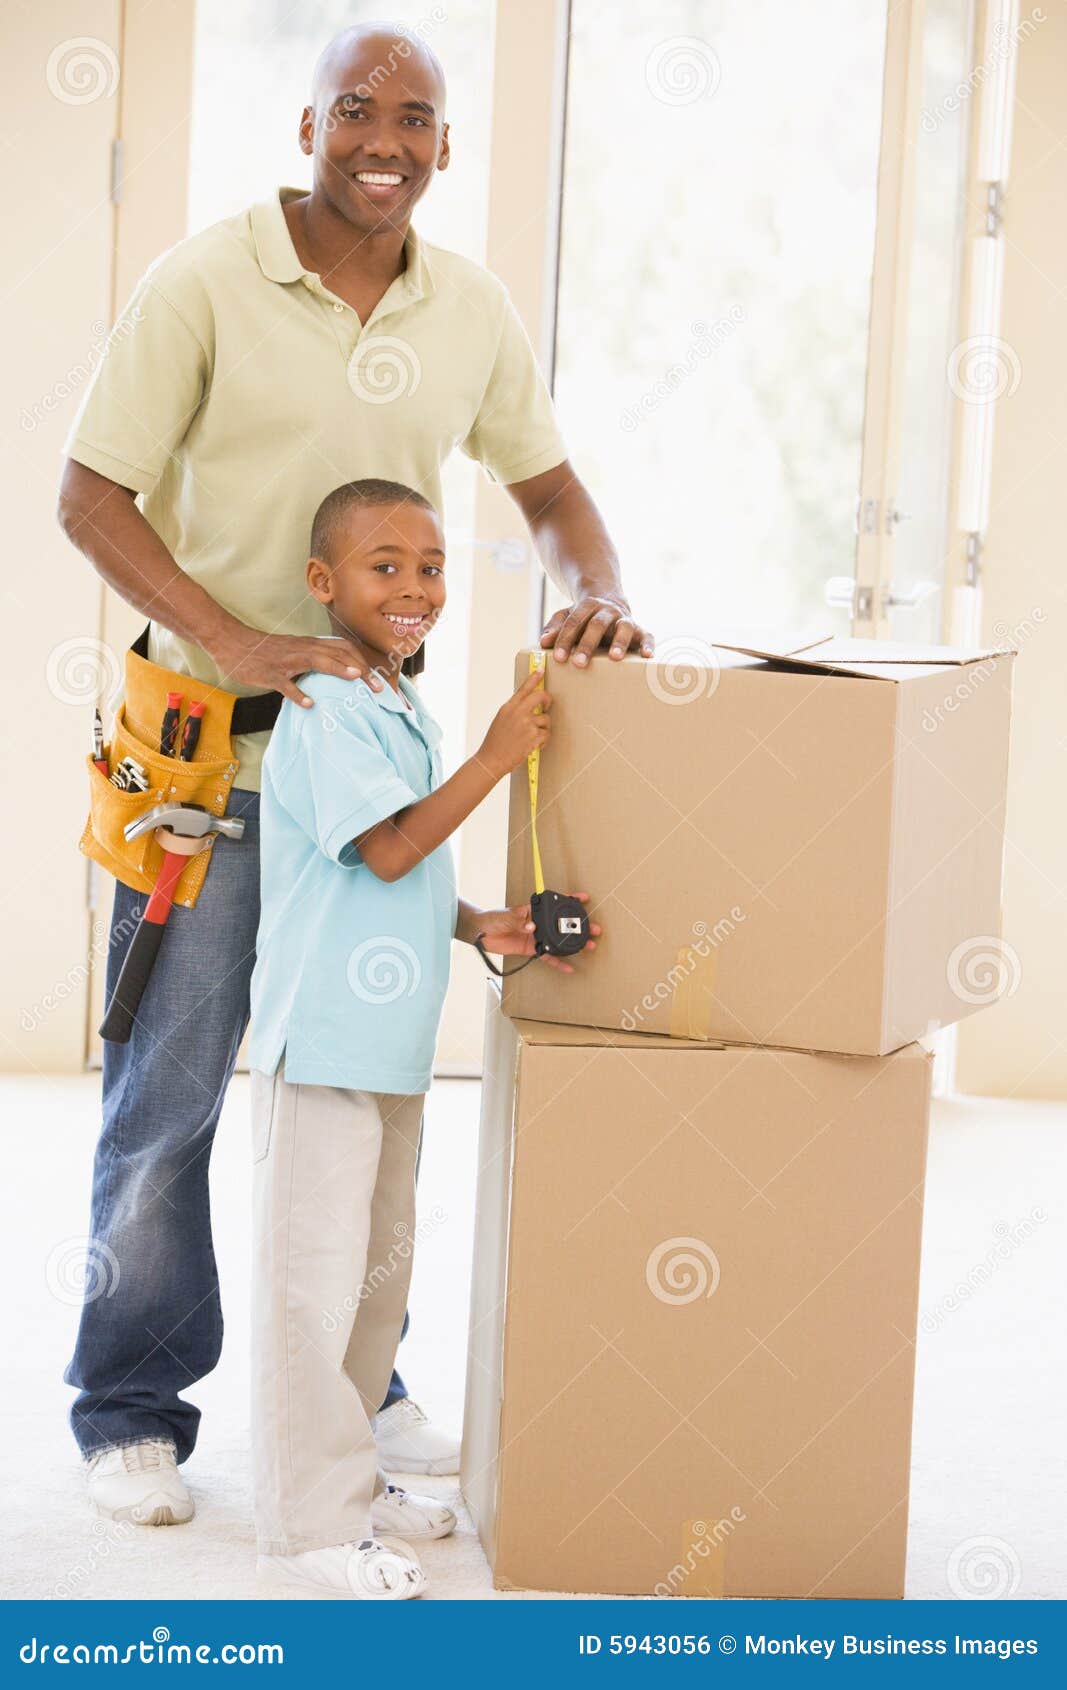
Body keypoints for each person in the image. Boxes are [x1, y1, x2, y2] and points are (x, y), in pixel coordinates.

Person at [56, 20, 651, 1528]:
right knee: (172, 1091)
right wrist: (236, 639)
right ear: (308, 128)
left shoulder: (469, 313)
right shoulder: (204, 278)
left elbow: (552, 489)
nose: (383, 137)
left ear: (443, 148)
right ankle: (130, 1401)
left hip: (366, 769)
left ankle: (357, 1385)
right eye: (354, 111)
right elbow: (88, 491)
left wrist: (593, 583)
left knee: (365, 1093)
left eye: (415, 117)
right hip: (200, 754)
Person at [250, 477, 598, 1598]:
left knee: (369, 1287)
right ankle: (309, 1523)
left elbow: (387, 869)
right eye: (384, 565)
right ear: (324, 584)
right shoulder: (318, 696)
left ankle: (352, 1478)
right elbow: (390, 848)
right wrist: (496, 757)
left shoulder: (395, 699)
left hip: (390, 1039)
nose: (413, 586)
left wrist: (471, 924)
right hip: (324, 1039)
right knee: (310, 1289)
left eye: (432, 564)